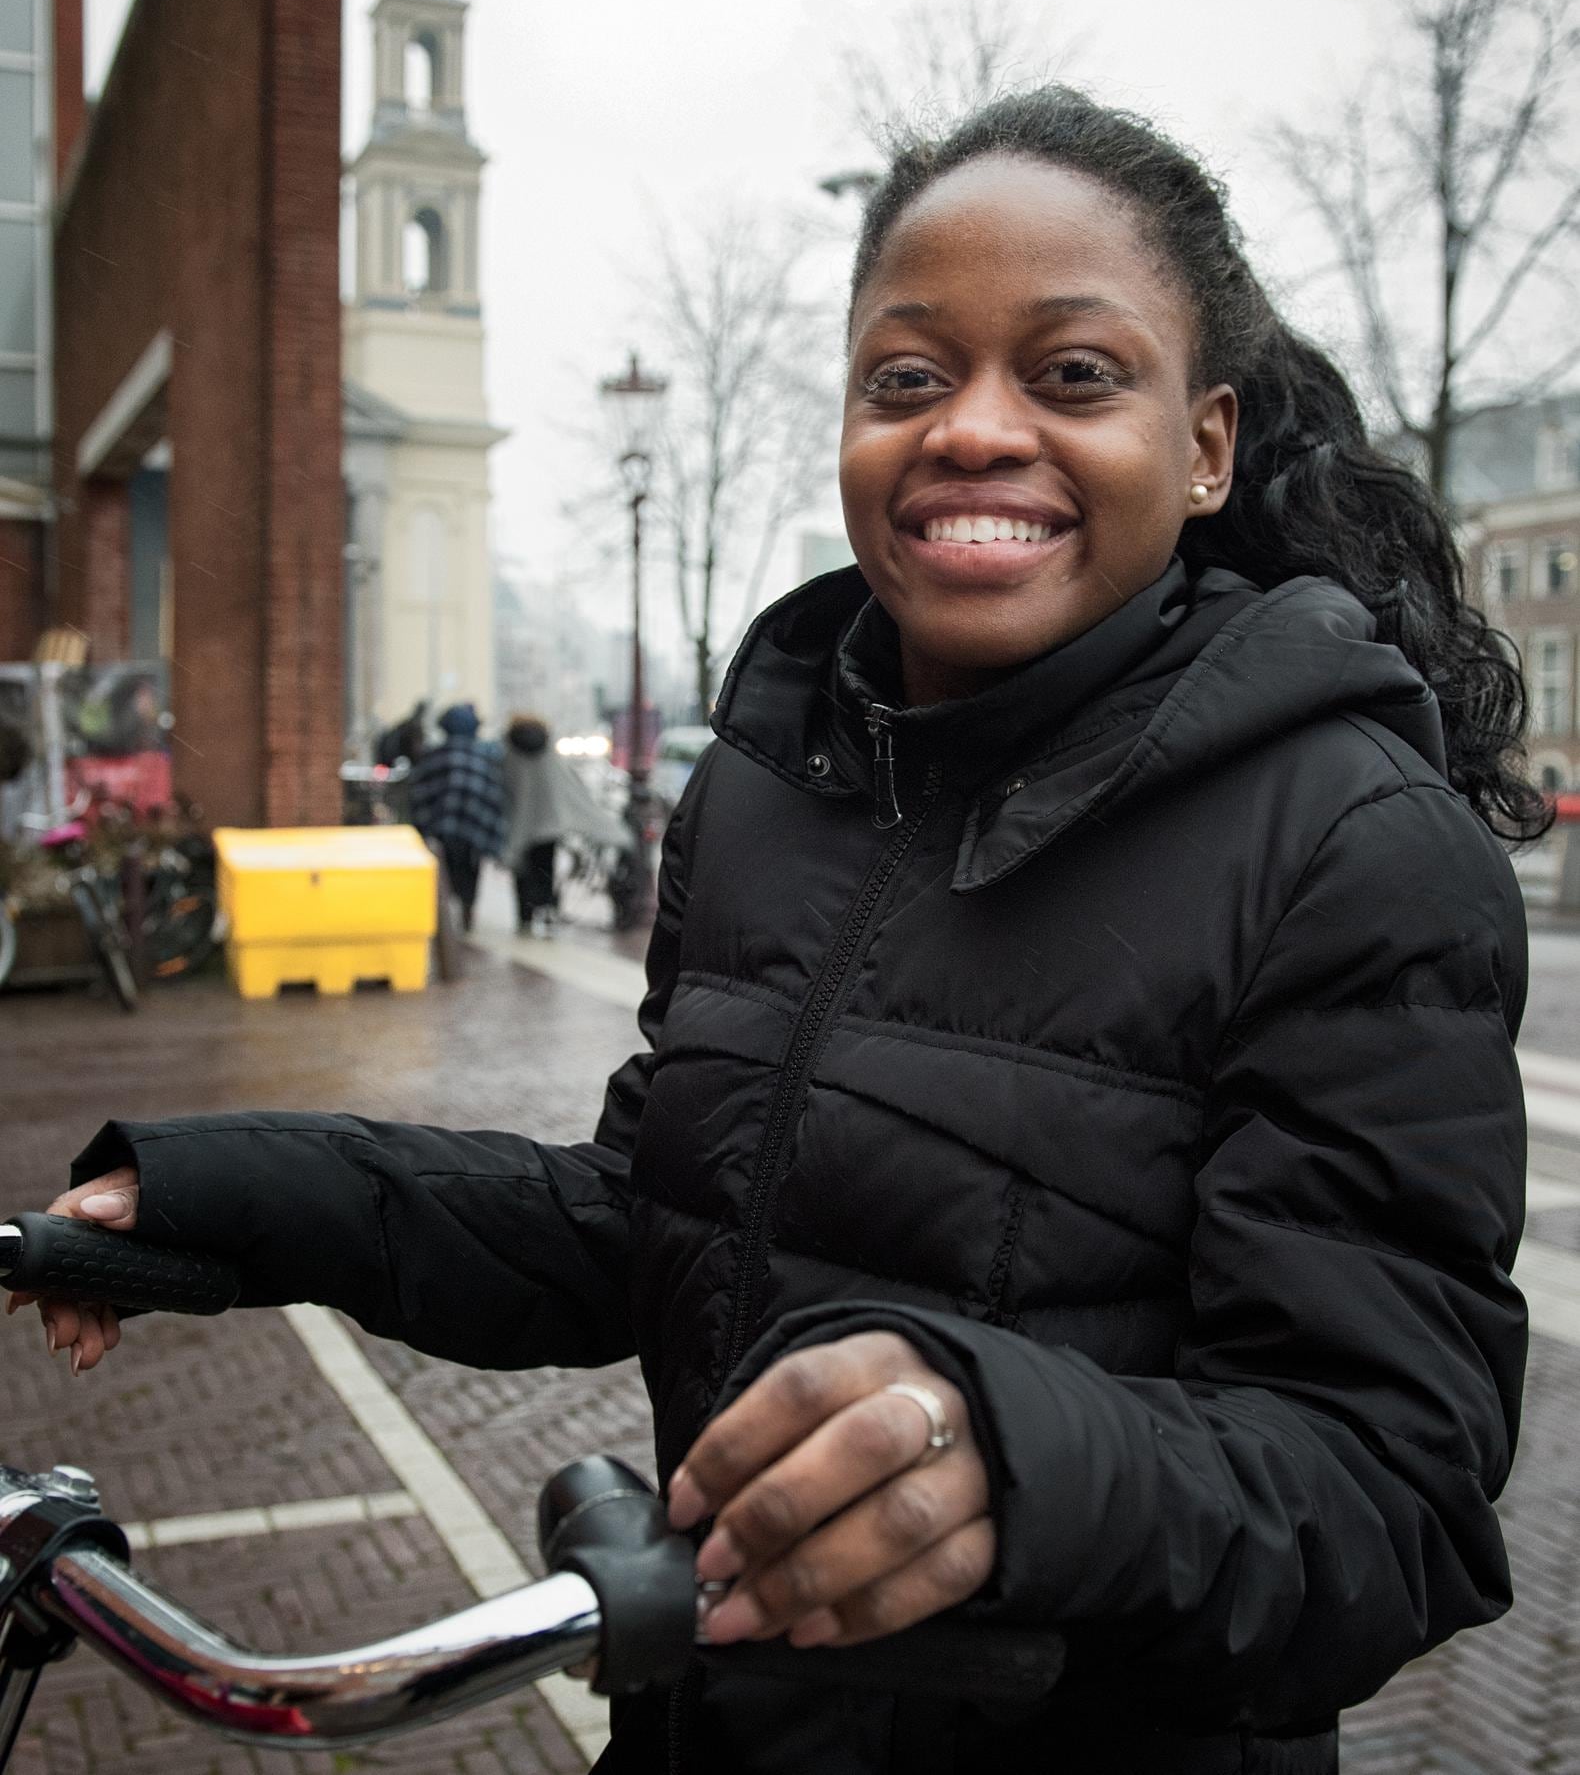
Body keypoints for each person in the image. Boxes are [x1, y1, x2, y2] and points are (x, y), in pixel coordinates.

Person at [16, 89, 1539, 1775]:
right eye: (908, 374)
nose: (970, 427)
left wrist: (1012, 1459)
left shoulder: (1353, 843)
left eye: (1072, 373)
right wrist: (237, 1200)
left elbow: (1390, 1492)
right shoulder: (780, 778)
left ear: (1207, 443)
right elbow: (651, 1212)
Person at [501, 714, 631, 934]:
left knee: (522, 870)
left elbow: (506, 785)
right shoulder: (546, 748)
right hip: (548, 821)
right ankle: (547, 909)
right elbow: (564, 786)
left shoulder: (511, 750)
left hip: (520, 820)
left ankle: (525, 915)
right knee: (545, 867)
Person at [405, 702, 504, 934]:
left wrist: (425, 824)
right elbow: (493, 795)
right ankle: (466, 918)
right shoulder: (483, 757)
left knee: (444, 874)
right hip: (472, 832)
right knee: (470, 874)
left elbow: (419, 793)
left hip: (441, 830)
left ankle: (444, 923)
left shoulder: (434, 756)